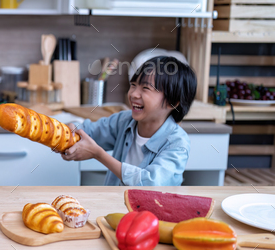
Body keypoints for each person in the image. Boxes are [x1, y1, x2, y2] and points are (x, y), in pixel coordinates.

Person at [62, 56, 197, 186]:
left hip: (152, 210)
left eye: (145, 88)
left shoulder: (177, 143)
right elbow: (89, 131)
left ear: (172, 102)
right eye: (133, 85)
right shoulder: (124, 120)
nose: (133, 94)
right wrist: (69, 130)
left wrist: (99, 155)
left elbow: (151, 183)